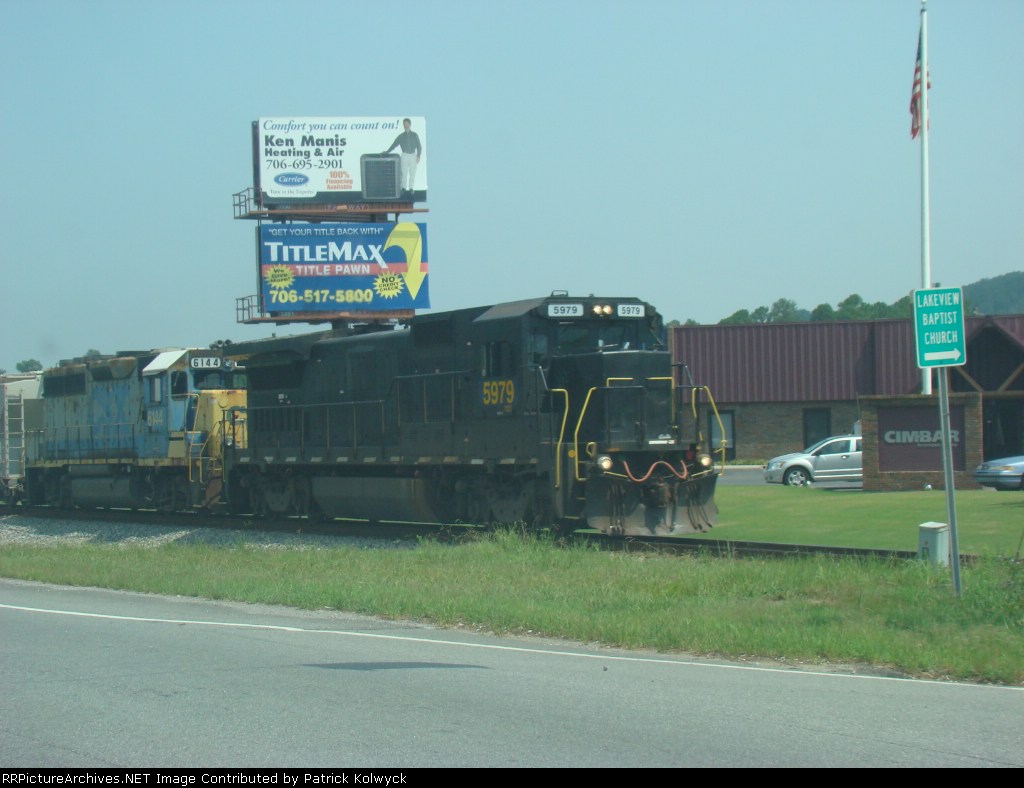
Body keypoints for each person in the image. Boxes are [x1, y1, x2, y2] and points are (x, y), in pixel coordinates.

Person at [384, 118, 422, 194]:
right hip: (404, 155)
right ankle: (403, 188)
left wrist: (418, 156)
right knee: (403, 172)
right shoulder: (401, 136)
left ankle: (411, 188)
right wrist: (387, 151)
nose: (405, 125)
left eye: (407, 123)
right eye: (404, 124)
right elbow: (394, 144)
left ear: (410, 124)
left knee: (412, 172)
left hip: (413, 155)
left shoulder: (415, 135)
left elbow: (419, 146)